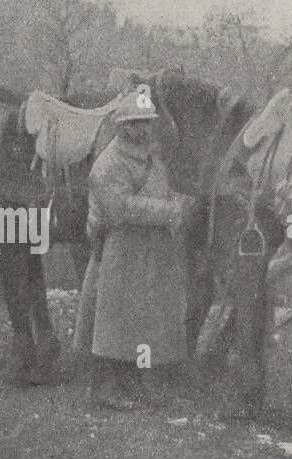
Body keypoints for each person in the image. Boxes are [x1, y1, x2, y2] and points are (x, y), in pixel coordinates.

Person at [74, 93, 195, 410]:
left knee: (148, 319)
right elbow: (120, 210)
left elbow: (161, 192)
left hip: (153, 250)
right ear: (123, 126)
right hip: (121, 249)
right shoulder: (109, 163)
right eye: (137, 123)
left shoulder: (150, 159)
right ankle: (104, 389)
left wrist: (178, 204)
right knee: (115, 320)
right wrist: (171, 211)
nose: (144, 129)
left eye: (147, 122)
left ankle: (142, 384)